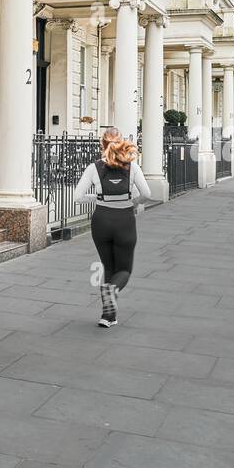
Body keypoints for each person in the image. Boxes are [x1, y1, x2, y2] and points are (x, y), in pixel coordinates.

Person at [73, 127, 152, 327]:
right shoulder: (132, 167)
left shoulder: (94, 168)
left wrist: (99, 197)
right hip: (124, 220)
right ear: (122, 142)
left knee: (108, 266)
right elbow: (147, 194)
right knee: (124, 269)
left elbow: (77, 197)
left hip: (101, 221)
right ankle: (112, 291)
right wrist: (133, 202)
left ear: (102, 144)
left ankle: (107, 316)